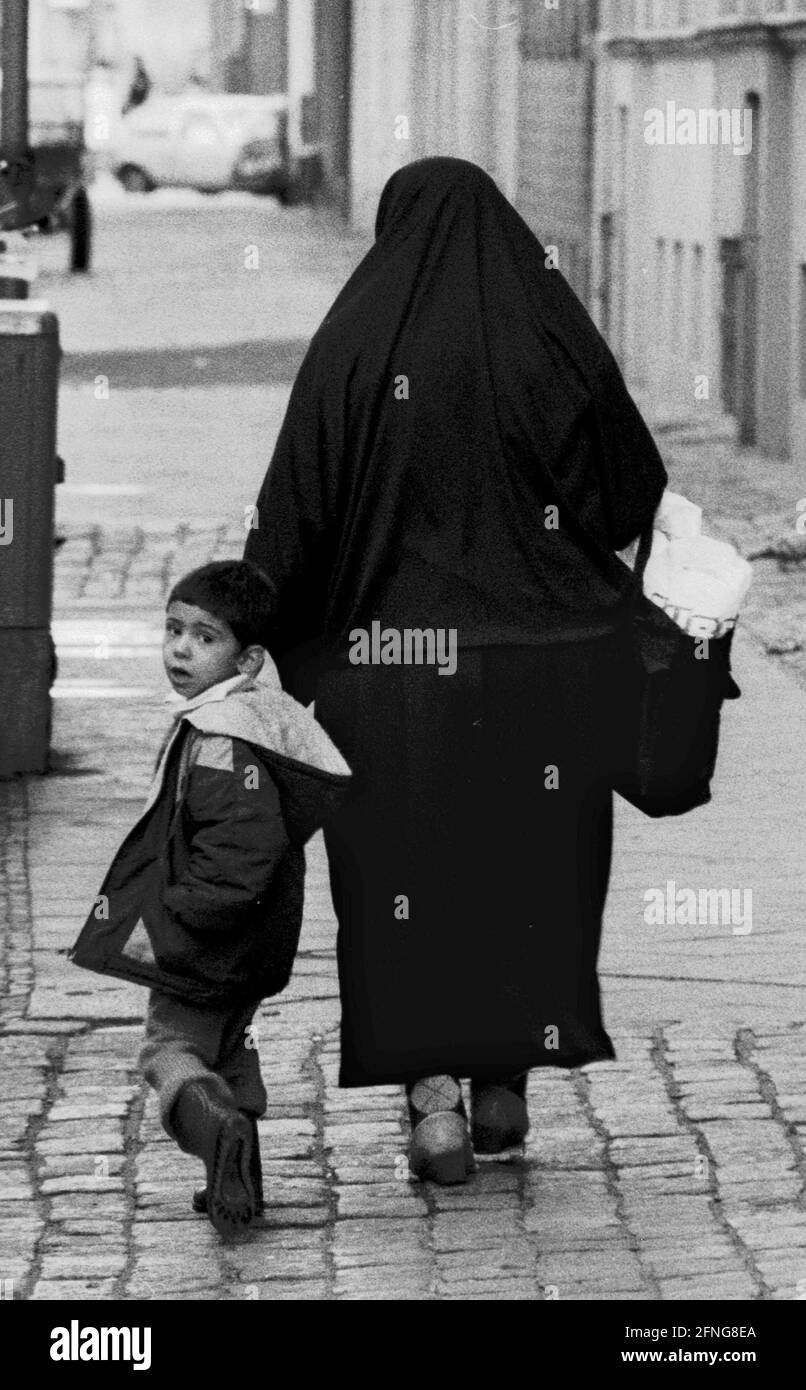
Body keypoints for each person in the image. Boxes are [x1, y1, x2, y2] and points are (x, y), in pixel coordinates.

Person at [244, 157, 668, 1184]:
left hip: (388, 678)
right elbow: (627, 491)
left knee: (403, 878)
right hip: (544, 674)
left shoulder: (355, 342)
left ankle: (430, 1095)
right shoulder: (550, 335)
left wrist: (266, 631)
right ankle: (501, 1076)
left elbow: (294, 512)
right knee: (529, 874)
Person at [69, 561, 351, 1234]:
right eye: (173, 631)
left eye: (204, 638)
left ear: (248, 659)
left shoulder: (225, 740)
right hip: (251, 943)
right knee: (229, 1050)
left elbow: (240, 849)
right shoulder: (240, 720)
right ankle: (238, 1182)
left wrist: (179, 915)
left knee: (168, 1051)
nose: (180, 649)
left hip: (208, 937)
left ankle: (214, 1129)